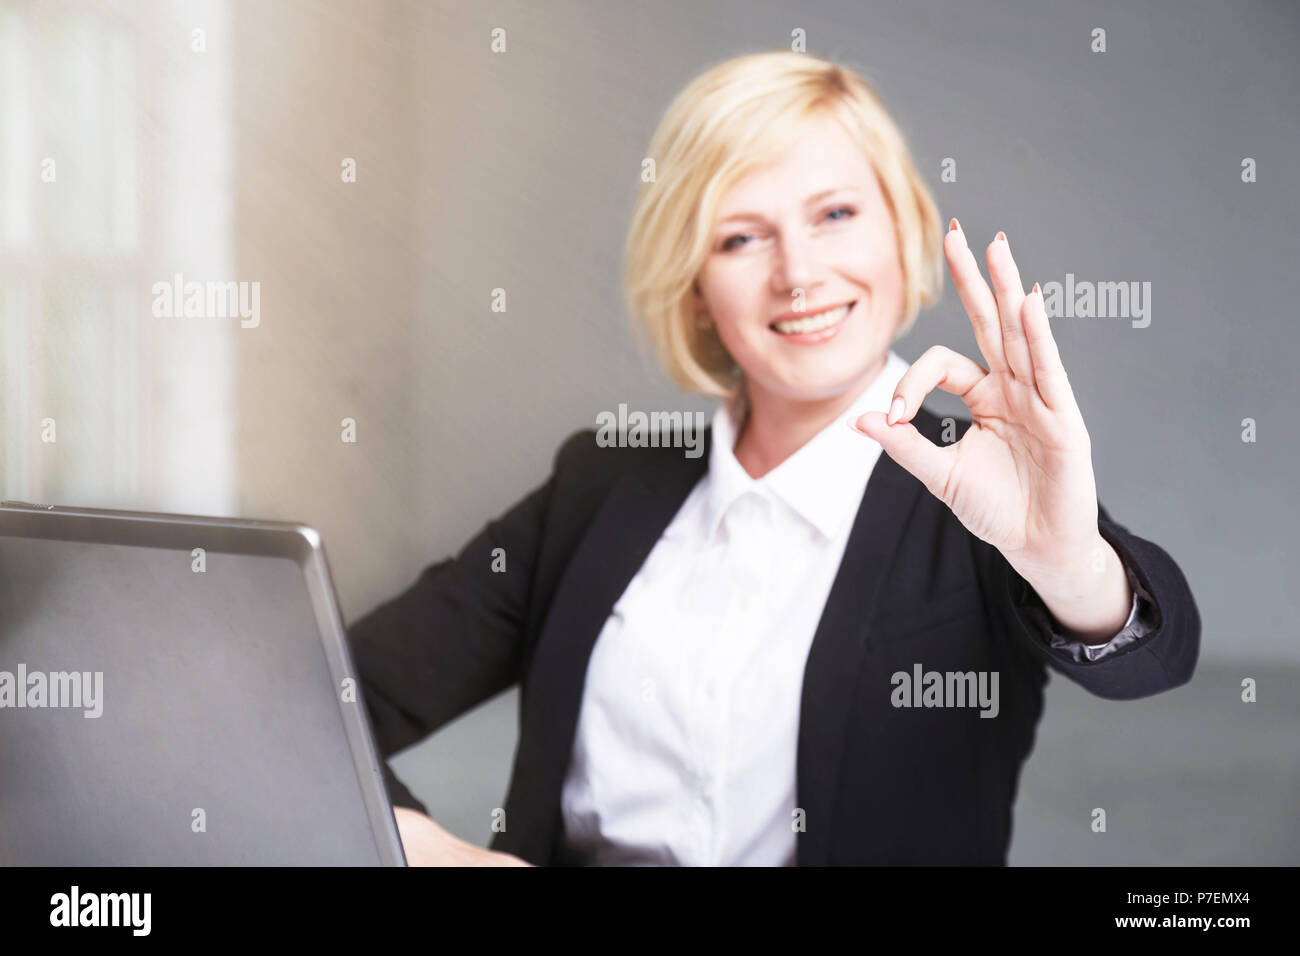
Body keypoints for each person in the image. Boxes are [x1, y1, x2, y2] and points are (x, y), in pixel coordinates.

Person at [346, 50, 1199, 866]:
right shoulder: (602, 481)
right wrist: (433, 853)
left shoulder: (978, 484)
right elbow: (330, 696)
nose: (798, 273)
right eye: (740, 239)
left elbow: (1158, 661)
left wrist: (1070, 560)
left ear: (901, 232)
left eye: (835, 214)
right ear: (696, 291)